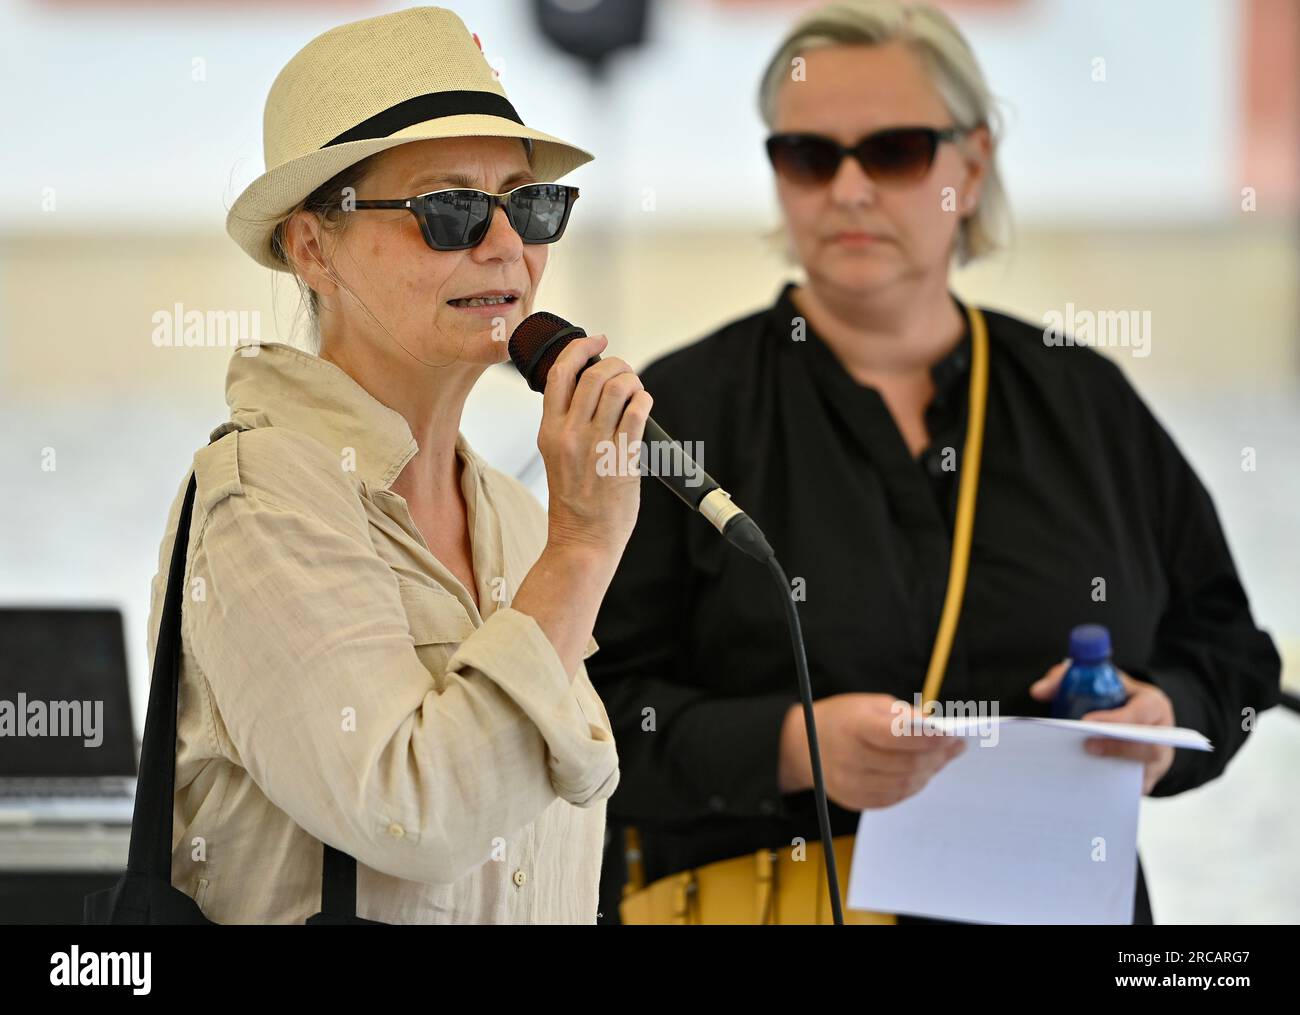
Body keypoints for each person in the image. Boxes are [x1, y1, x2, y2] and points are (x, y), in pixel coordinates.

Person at [589, 0, 1281, 924]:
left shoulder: (1083, 400)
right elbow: (575, 715)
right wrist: (790, 746)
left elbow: (1232, 651)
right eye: (807, 156)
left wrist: (1164, 721)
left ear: (974, 159)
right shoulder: (673, 416)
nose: (848, 189)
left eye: (895, 151)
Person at [147, 6, 651, 923]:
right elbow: (412, 815)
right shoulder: (261, 500)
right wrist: (582, 549)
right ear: (311, 246)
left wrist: (568, 541)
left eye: (532, 204)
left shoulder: (516, 514)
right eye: (450, 209)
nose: (507, 246)